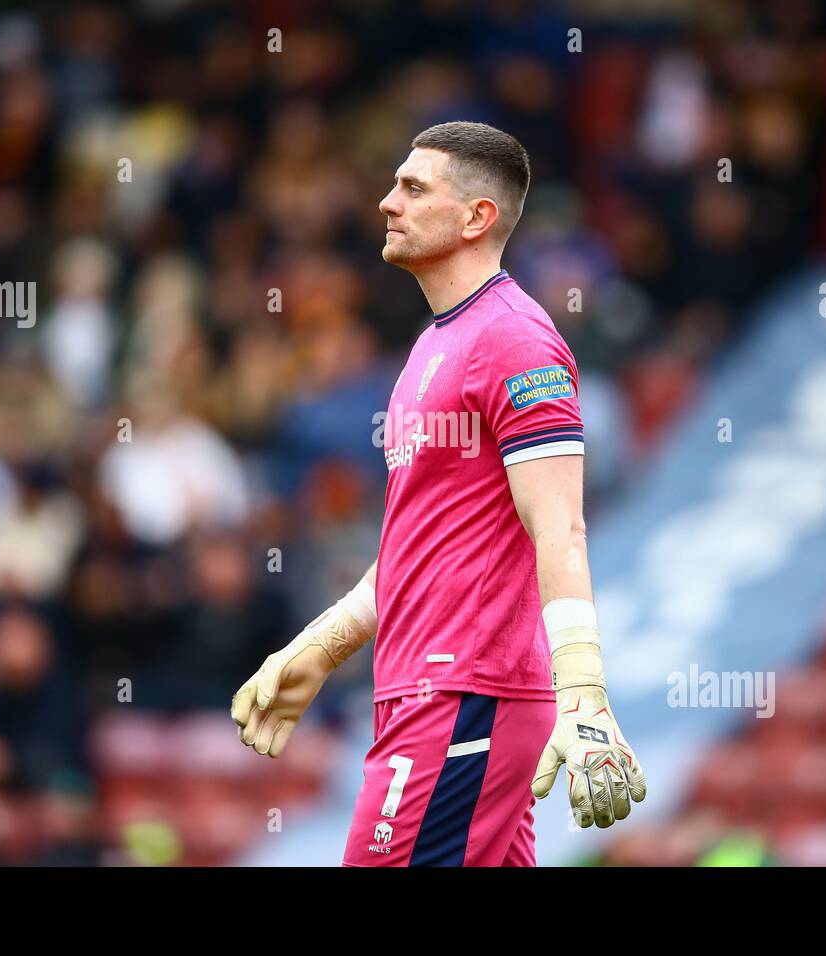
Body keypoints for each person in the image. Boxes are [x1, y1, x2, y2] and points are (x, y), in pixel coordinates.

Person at [231, 121, 645, 866]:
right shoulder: (431, 345)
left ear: (476, 217)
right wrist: (320, 648)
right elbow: (413, 547)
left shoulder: (517, 339)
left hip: (465, 696)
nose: (387, 202)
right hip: (424, 693)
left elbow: (562, 530)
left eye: (413, 188)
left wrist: (582, 690)